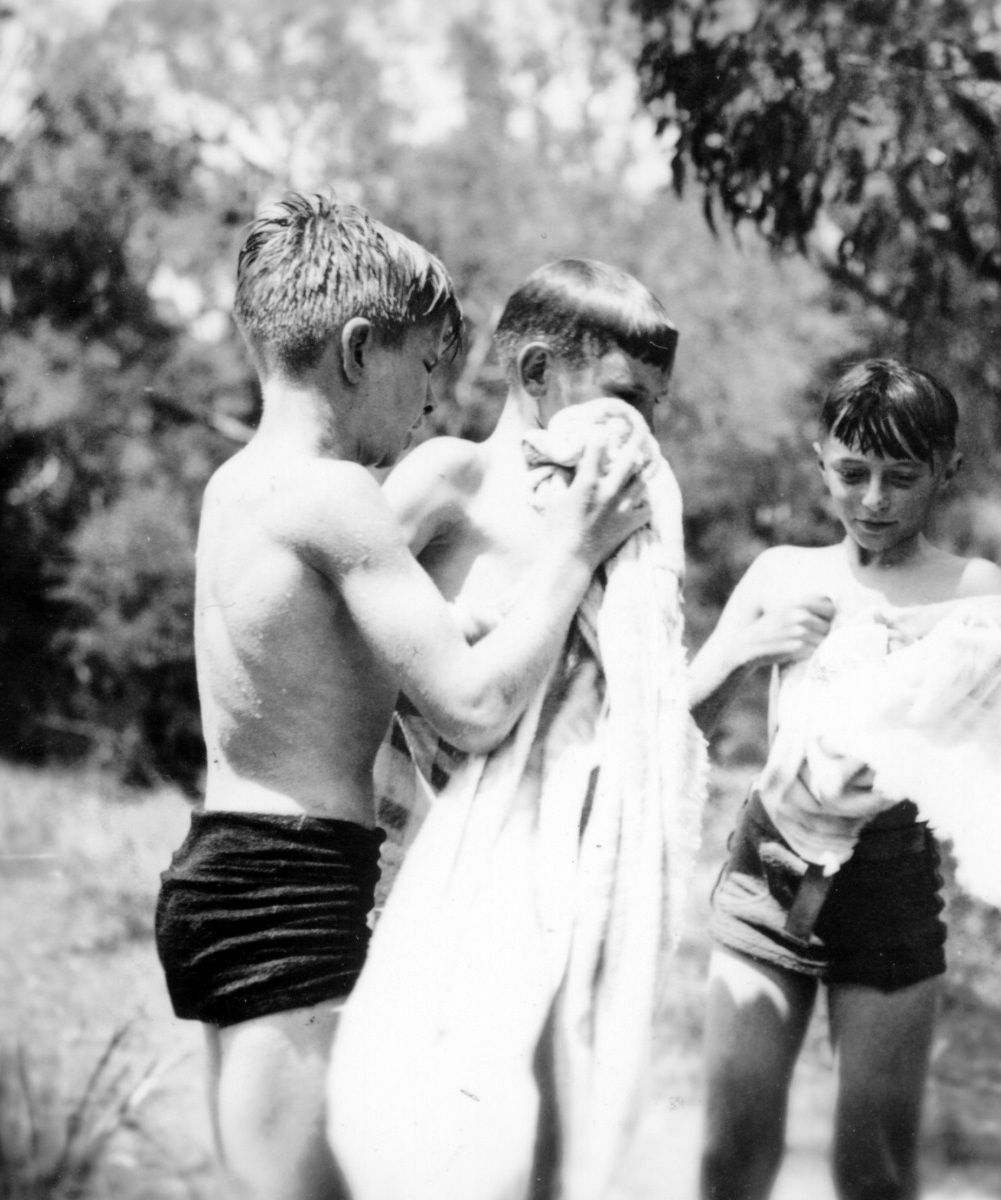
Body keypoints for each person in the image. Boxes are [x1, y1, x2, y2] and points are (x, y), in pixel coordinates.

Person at [152, 201, 650, 1200]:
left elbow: (334, 659)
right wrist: (574, 552)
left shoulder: (239, 485)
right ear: (356, 348)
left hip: (239, 867)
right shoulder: (337, 498)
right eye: (424, 366)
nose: (432, 401)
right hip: (287, 892)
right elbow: (471, 709)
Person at [326, 259, 704, 1200]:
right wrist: (444, 642)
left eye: (653, 409)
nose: (636, 429)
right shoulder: (453, 478)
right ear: (535, 375)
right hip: (436, 834)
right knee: (424, 1111)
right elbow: (330, 630)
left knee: (554, 1102)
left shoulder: (626, 510)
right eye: (622, 397)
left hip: (571, 856)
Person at [689, 359, 1001, 1200]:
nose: (874, 499)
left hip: (890, 883)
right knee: (730, 1155)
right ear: (819, 461)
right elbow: (677, 720)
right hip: (766, 874)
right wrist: (743, 649)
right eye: (852, 473)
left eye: (901, 477)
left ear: (946, 469)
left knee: (872, 1173)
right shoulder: (780, 575)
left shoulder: (974, 592)